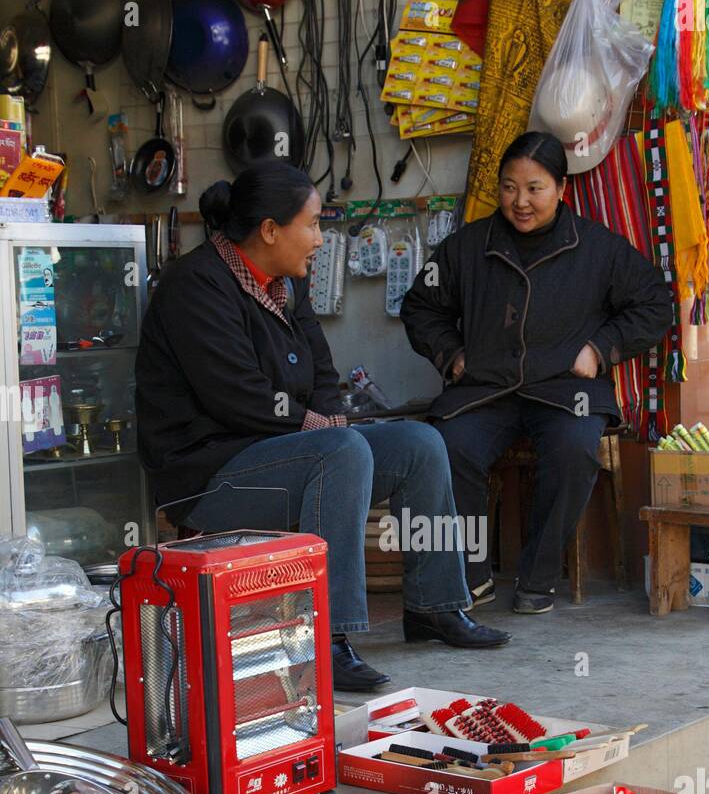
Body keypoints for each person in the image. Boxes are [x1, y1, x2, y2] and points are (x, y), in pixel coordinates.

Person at [136, 161, 510, 693]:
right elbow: (236, 397)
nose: (319, 239)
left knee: (420, 442)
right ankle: (325, 636)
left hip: (285, 454)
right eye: (311, 225)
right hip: (209, 477)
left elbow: (322, 368)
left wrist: (330, 415)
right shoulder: (194, 287)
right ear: (270, 230)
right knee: (342, 451)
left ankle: (435, 606)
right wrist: (321, 426)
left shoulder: (287, 283)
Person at [401, 131, 673, 613]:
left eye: (534, 189)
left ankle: (538, 578)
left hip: (566, 391)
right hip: (486, 388)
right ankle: (472, 573)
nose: (520, 202)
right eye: (509, 188)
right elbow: (421, 306)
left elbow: (654, 303)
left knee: (573, 450)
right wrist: (452, 355)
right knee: (445, 447)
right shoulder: (466, 248)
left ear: (562, 189)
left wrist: (600, 347)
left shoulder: (598, 249)